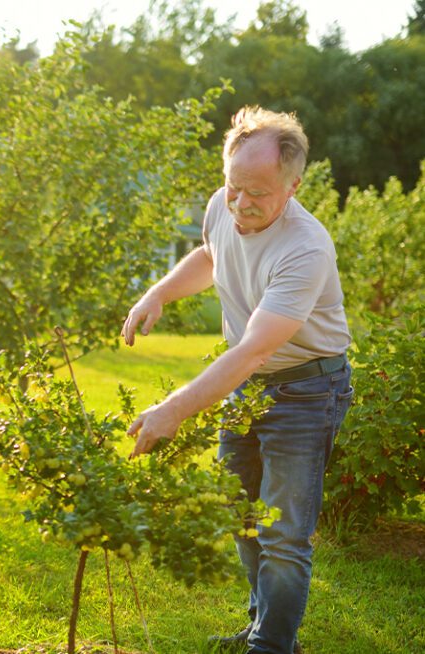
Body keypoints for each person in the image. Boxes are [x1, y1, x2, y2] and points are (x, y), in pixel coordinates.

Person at [120, 107, 354, 654]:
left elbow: (252, 350)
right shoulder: (223, 205)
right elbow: (210, 254)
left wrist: (173, 409)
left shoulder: (306, 247)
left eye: (259, 193)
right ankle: (262, 627)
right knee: (240, 511)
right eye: (233, 187)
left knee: (282, 530)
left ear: (293, 187)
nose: (241, 204)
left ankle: (272, 648)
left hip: (306, 388)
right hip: (249, 386)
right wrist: (159, 293)